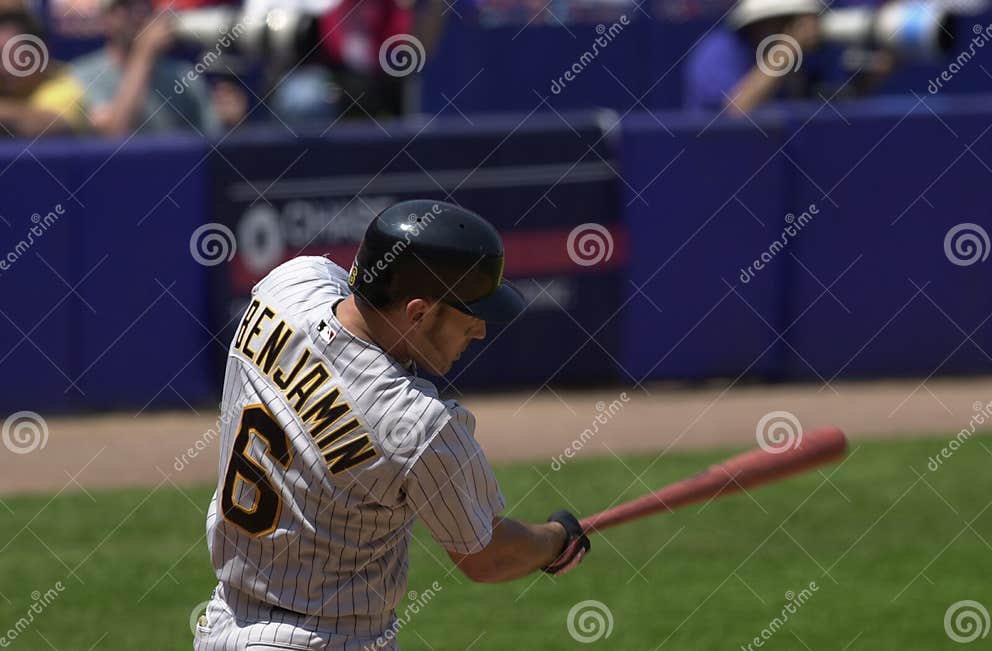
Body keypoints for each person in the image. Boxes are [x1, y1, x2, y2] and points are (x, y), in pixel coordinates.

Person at [194, 200, 590, 650]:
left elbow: (350, 298)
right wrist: (555, 539)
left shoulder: (288, 287)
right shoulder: (416, 422)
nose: (480, 331)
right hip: (324, 639)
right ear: (418, 312)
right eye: (470, 315)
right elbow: (488, 557)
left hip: (224, 626)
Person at [71, 0, 220, 136]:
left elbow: (211, 135)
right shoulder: (81, 75)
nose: (139, 13)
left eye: (146, 4)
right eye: (127, 6)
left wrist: (228, 121)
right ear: (106, 18)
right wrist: (144, 54)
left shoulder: (184, 75)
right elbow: (113, 135)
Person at [683, 0, 824, 115]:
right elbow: (735, 112)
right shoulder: (716, 52)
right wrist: (787, 49)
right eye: (783, 19)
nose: (791, 29)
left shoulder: (809, 53)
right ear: (756, 22)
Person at [0, 10, 88, 136]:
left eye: (10, 54)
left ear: (38, 54)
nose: (3, 66)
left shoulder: (68, 86)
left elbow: (50, 124)